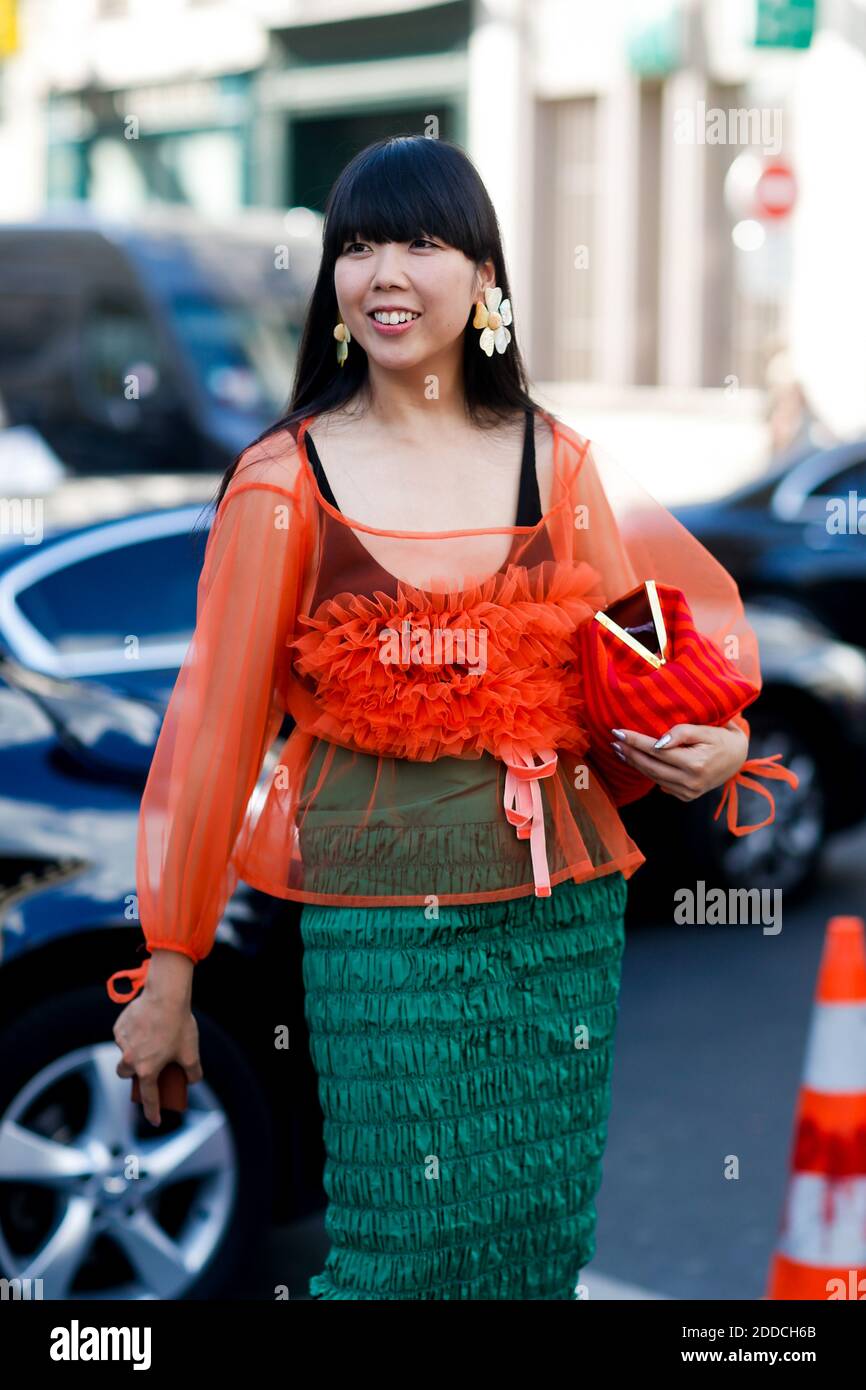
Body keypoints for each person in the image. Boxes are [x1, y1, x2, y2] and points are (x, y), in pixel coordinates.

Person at [108, 135, 770, 1300]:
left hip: (557, 919)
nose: (384, 274)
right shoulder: (284, 477)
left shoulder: (556, 464)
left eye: (420, 241)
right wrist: (168, 976)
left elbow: (646, 660)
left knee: (531, 1246)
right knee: (399, 1254)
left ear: (484, 280)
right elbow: (211, 734)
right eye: (356, 247)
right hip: (377, 920)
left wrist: (712, 748)